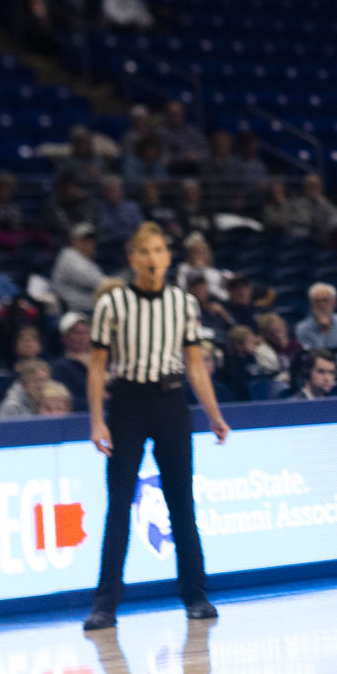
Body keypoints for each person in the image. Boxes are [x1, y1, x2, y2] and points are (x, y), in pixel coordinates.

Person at [85, 222, 229, 630]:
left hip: (170, 401)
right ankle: (106, 602)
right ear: (132, 258)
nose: (152, 258)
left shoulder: (184, 304)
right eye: (144, 251)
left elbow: (195, 365)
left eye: (159, 250)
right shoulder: (111, 305)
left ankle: (195, 594)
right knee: (118, 505)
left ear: (168, 257)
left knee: (182, 501)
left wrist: (214, 414)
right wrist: (97, 420)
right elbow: (97, 369)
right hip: (128, 402)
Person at [52, 224, 105, 314]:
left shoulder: (85, 259)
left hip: (88, 309)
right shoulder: (69, 257)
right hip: (75, 313)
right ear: (74, 241)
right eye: (84, 240)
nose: (90, 243)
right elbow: (96, 282)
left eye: (91, 240)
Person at [51, 312, 93, 409]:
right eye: (77, 333)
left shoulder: (101, 361)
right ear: (64, 337)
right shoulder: (59, 367)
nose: (82, 337)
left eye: (86, 332)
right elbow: (68, 401)